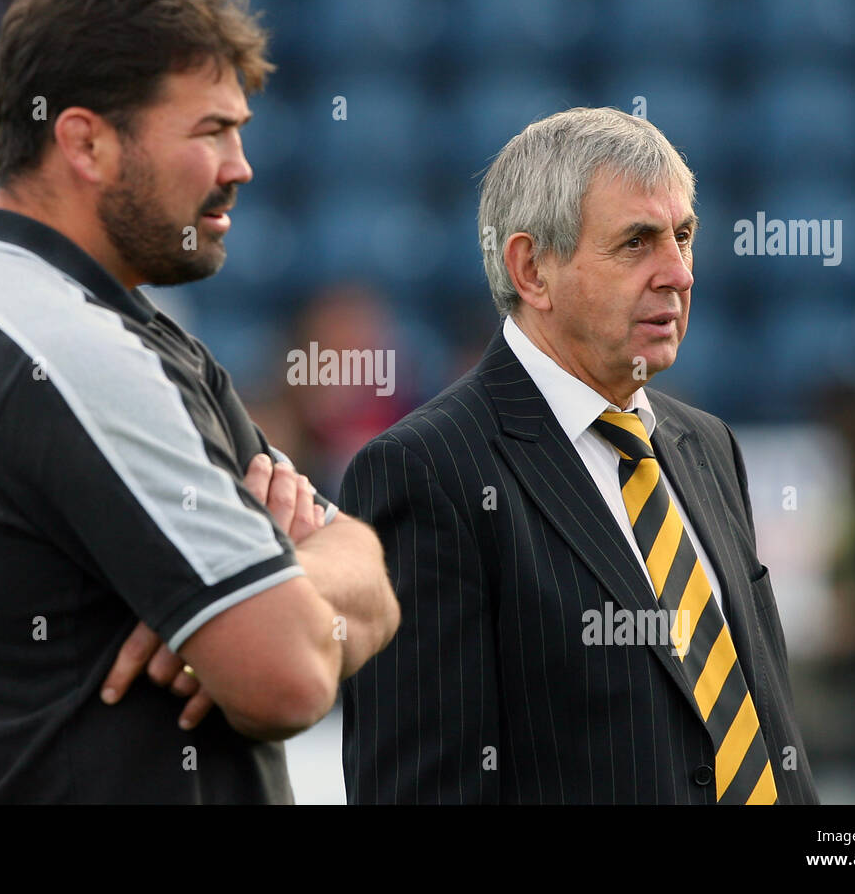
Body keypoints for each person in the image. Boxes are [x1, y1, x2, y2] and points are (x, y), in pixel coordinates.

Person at [0, 0, 398, 803]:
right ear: (85, 140)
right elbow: (291, 675)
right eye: (209, 131)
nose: (242, 166)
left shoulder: (30, 299)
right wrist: (274, 599)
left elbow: (363, 561)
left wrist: (280, 584)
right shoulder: (69, 347)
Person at [339, 107, 819, 804]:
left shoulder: (707, 445)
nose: (679, 274)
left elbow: (770, 739)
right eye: (637, 243)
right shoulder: (428, 471)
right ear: (532, 269)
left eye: (684, 237)